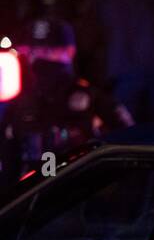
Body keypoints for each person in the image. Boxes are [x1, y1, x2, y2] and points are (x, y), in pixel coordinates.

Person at [0, 16, 132, 188]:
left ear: (69, 52)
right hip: (32, 199)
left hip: (79, 198)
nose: (40, 60)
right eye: (34, 52)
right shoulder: (18, 105)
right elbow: (8, 162)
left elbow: (129, 150)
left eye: (48, 52)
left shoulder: (93, 100)